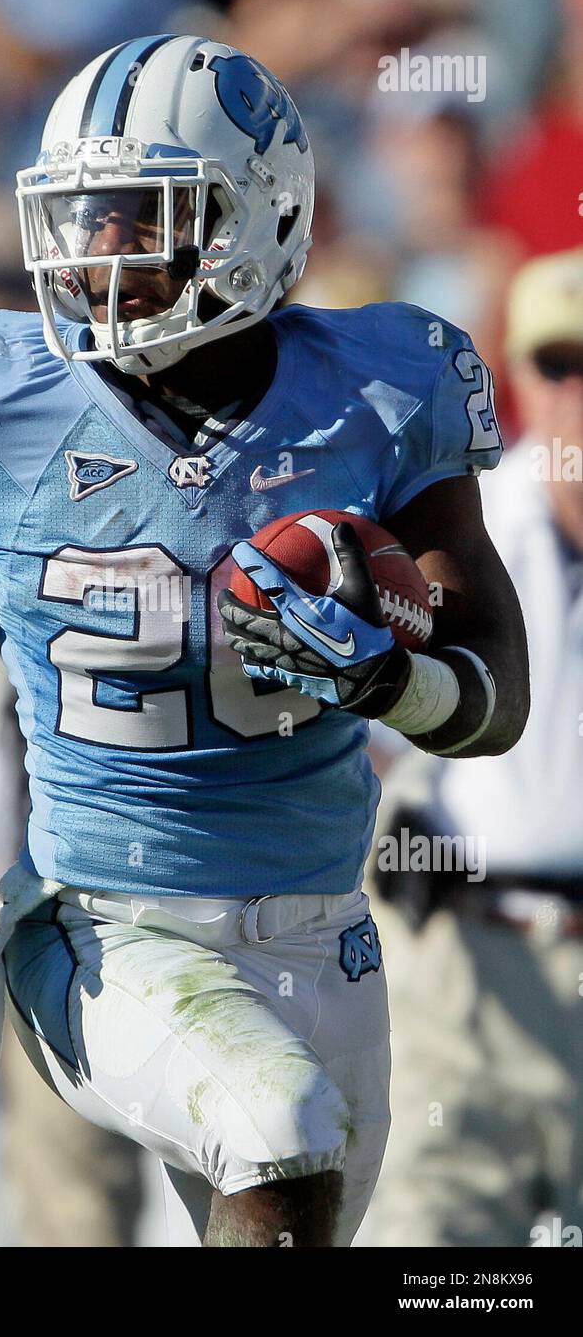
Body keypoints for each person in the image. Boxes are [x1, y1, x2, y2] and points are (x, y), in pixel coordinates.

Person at [0, 35, 528, 1248]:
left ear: (259, 218)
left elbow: (499, 690)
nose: (96, 256)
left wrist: (390, 680)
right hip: (100, 922)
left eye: (139, 219)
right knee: (277, 1131)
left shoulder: (380, 397)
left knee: (297, 1199)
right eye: (80, 218)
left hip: (316, 919)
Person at [360, 246, 583, 1248]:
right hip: (466, 966)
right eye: (560, 362)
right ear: (520, 380)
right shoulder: (463, 526)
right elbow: (344, 716)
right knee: (433, 1251)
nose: (580, 392)